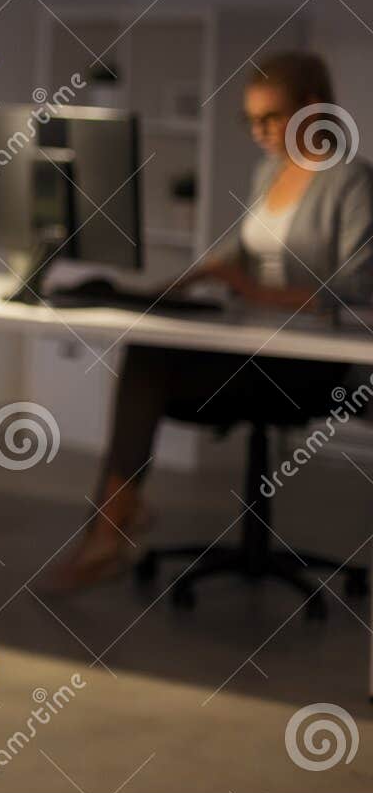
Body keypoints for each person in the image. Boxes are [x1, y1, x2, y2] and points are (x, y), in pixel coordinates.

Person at [47, 51, 373, 591]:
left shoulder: (352, 182)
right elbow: (244, 253)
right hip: (254, 348)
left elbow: (358, 289)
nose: (259, 132)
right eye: (251, 120)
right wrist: (196, 278)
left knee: (152, 364)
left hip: (311, 368)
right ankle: (115, 520)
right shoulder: (270, 171)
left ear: (313, 109)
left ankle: (111, 529)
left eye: (270, 118)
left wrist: (252, 291)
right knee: (148, 349)